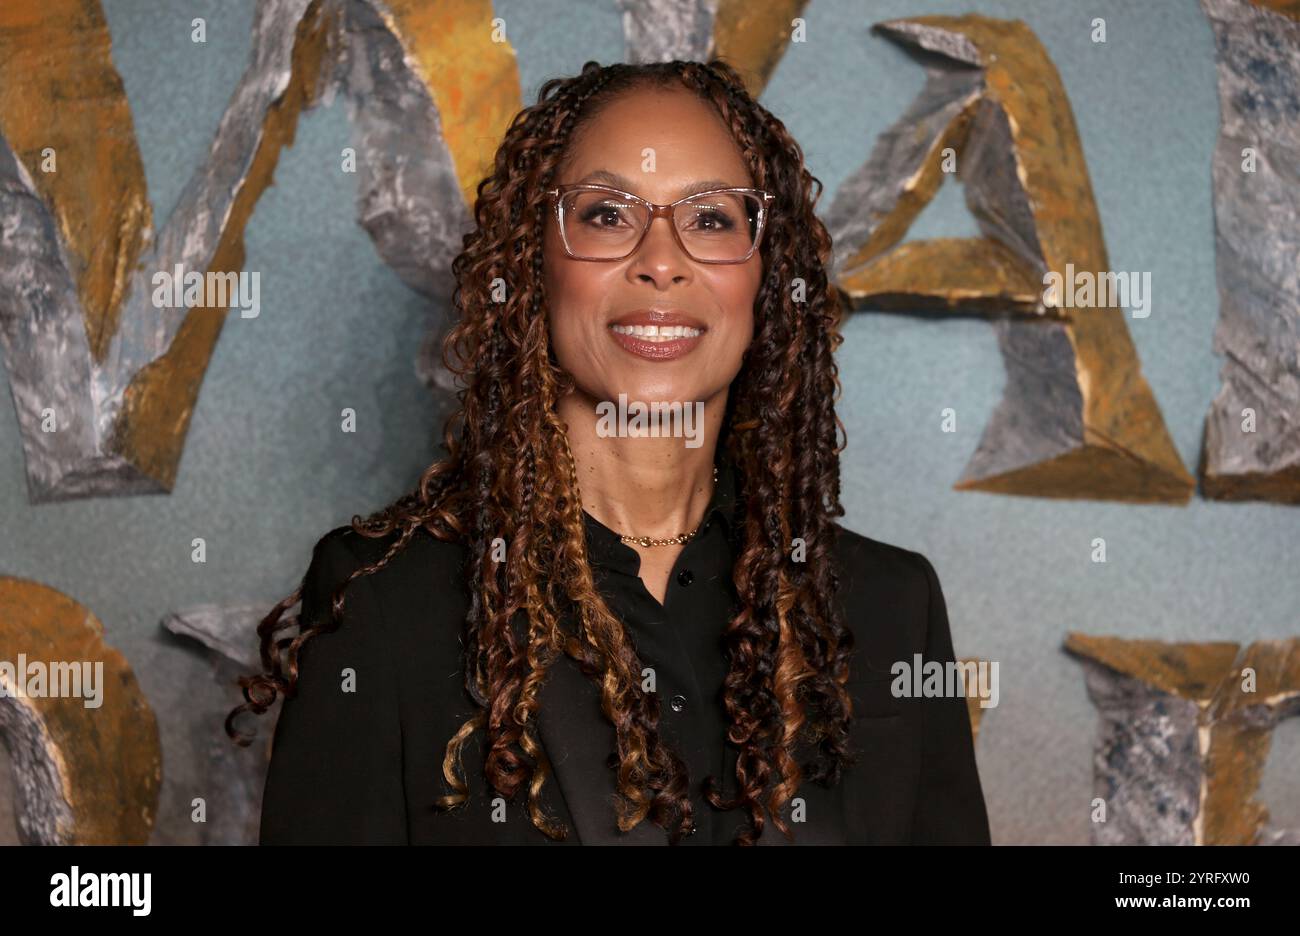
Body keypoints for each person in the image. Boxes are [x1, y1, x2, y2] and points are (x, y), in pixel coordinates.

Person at [226, 59, 991, 846]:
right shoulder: (383, 604)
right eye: (606, 214)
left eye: (712, 218)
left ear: (767, 277)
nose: (661, 259)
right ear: (534, 263)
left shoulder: (892, 608)